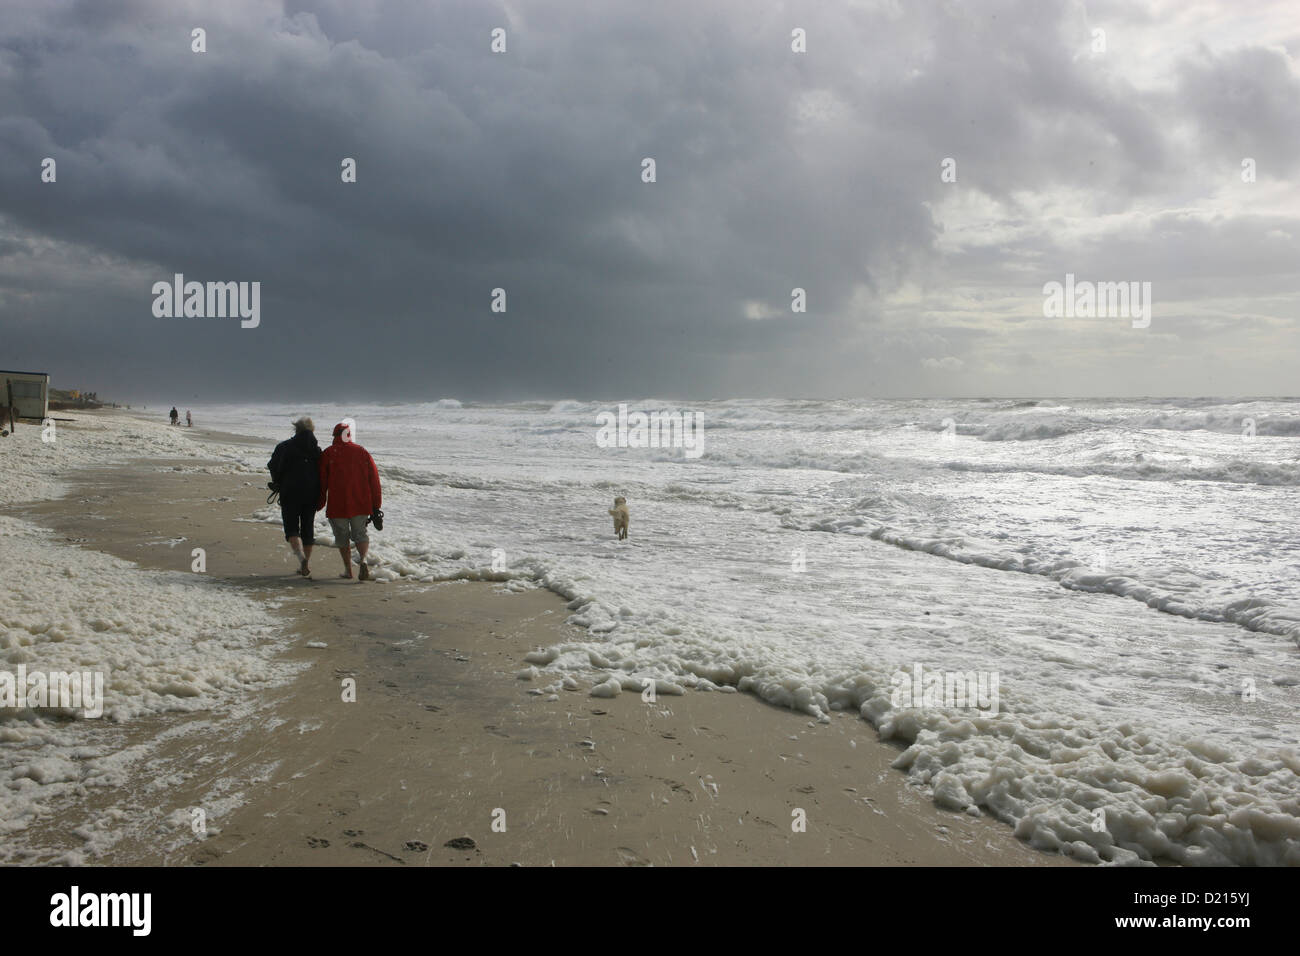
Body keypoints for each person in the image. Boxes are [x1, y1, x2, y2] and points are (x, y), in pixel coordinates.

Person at [317, 421, 382, 580]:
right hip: (360, 502)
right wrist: (376, 504)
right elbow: (374, 479)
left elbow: (322, 482)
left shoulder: (328, 453)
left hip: (337, 504)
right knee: (361, 535)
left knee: (342, 537)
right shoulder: (362, 451)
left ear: (334, 435)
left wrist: (320, 502)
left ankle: (348, 570)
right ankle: (364, 561)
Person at [268, 417, 322, 577]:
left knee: (292, 528)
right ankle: (306, 562)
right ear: (312, 431)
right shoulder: (317, 450)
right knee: (308, 528)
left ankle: (301, 559)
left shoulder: (284, 447)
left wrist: (277, 481)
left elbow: (272, 466)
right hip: (312, 493)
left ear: (295, 430)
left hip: (289, 492)